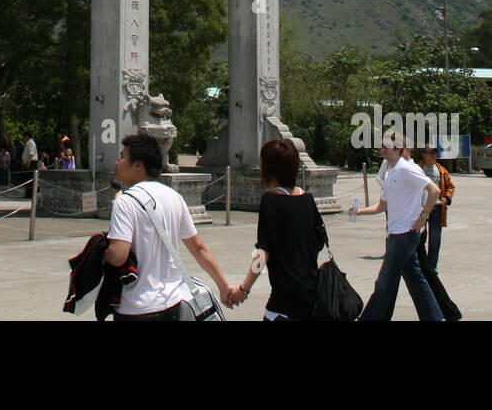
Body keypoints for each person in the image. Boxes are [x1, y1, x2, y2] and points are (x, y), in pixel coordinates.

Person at [104, 134, 236, 320]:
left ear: (138, 165)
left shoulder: (125, 201)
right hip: (174, 303)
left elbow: (118, 256)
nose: (117, 162)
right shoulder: (174, 197)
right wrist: (223, 286)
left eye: (122, 156)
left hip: (137, 306)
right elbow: (198, 247)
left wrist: (100, 251)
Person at [230, 139, 326, 320]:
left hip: (284, 300)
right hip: (311, 295)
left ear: (269, 168)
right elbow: (319, 242)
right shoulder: (308, 199)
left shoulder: (271, 201)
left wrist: (244, 288)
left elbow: (263, 252)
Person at [353, 132, 443, 321]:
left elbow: (434, 191)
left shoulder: (406, 169)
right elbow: (382, 205)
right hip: (396, 234)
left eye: (387, 146)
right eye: (382, 146)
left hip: (404, 235)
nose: (383, 150)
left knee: (384, 283)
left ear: (399, 149)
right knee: (416, 280)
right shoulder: (389, 171)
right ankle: (436, 318)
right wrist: (360, 211)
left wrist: (423, 216)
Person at [419, 145, 454, 271]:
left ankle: (432, 266)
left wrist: (447, 198)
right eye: (430, 153)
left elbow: (450, 186)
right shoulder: (417, 169)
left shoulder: (441, 171)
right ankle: (421, 264)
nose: (433, 155)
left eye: (434, 153)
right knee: (420, 237)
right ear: (424, 154)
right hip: (421, 208)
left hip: (437, 208)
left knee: (435, 239)